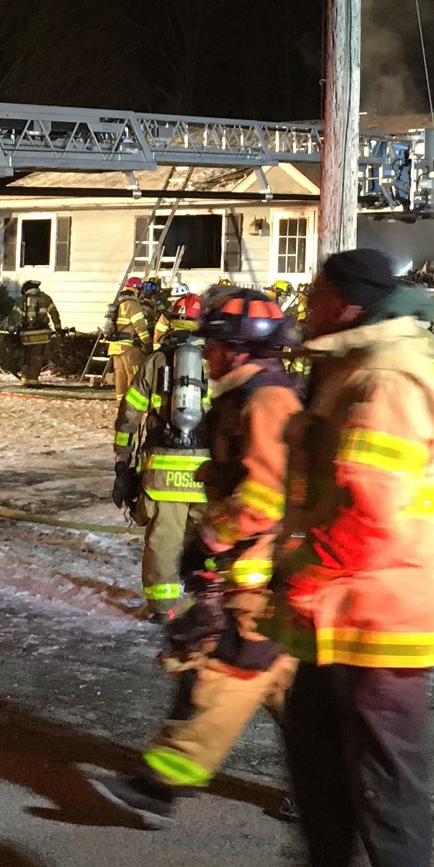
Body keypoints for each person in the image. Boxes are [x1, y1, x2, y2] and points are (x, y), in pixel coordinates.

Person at [270, 249, 434, 867]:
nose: (305, 305)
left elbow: (366, 515)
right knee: (322, 782)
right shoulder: (349, 366)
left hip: (381, 619)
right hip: (340, 612)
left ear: (347, 303)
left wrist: (296, 570)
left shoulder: (385, 378)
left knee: (384, 793)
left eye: (315, 294)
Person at [92, 288, 301, 825]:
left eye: (215, 344)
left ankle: (161, 785)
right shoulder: (245, 394)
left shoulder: (266, 401)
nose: (205, 354)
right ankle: (332, 791)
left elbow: (264, 497)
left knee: (225, 675)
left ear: (238, 348)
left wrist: (211, 540)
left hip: (264, 573)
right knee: (288, 689)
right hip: (260, 572)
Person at [112, 293, 208, 621]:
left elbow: (130, 412)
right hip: (206, 471)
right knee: (208, 537)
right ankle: (206, 602)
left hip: (163, 471)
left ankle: (162, 608)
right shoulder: (214, 362)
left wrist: (122, 458)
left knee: (164, 541)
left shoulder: (155, 362)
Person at [107, 277, 155, 398]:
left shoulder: (119, 303)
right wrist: (148, 342)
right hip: (129, 347)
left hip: (115, 347)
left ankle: (120, 401)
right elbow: (140, 326)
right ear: (136, 290)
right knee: (133, 374)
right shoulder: (132, 304)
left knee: (120, 375)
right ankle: (131, 402)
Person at [15, 279, 62, 387]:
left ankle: (25, 378)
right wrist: (58, 327)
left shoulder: (22, 300)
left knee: (26, 356)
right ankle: (33, 379)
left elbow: (14, 317)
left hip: (26, 334)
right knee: (37, 356)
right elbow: (54, 313)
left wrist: (11, 329)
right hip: (42, 334)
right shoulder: (45, 298)